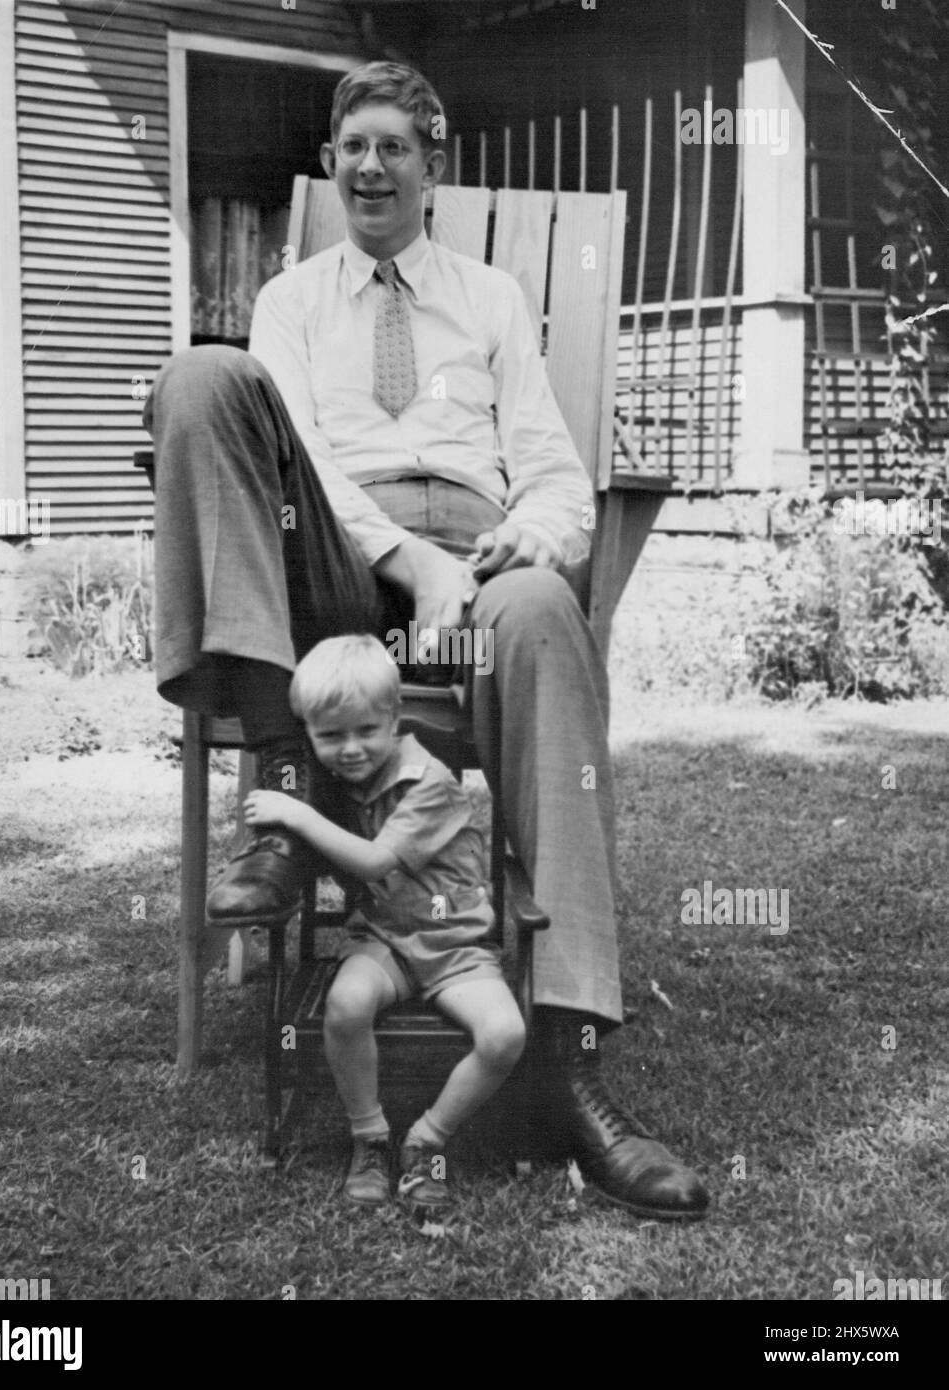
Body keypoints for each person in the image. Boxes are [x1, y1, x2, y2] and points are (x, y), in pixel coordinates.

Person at [142, 60, 709, 1221]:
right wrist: (406, 558)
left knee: (548, 611)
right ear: (329, 164)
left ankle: (567, 1053)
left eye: (394, 145)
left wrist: (523, 543)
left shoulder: (491, 299)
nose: (368, 167)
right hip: (337, 562)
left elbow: (554, 472)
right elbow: (289, 455)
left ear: (433, 165)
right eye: (350, 147)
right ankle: (284, 770)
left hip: (480, 557)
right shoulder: (292, 302)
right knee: (201, 378)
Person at [243, 633, 525, 1210]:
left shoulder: (429, 781)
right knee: (347, 1005)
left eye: (366, 731)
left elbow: (373, 861)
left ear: (394, 719)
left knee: (505, 1035)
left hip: (455, 945)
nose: (350, 749)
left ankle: (426, 1142)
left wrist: (294, 811)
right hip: (385, 939)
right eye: (330, 735)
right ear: (310, 734)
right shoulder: (336, 781)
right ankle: (369, 1137)